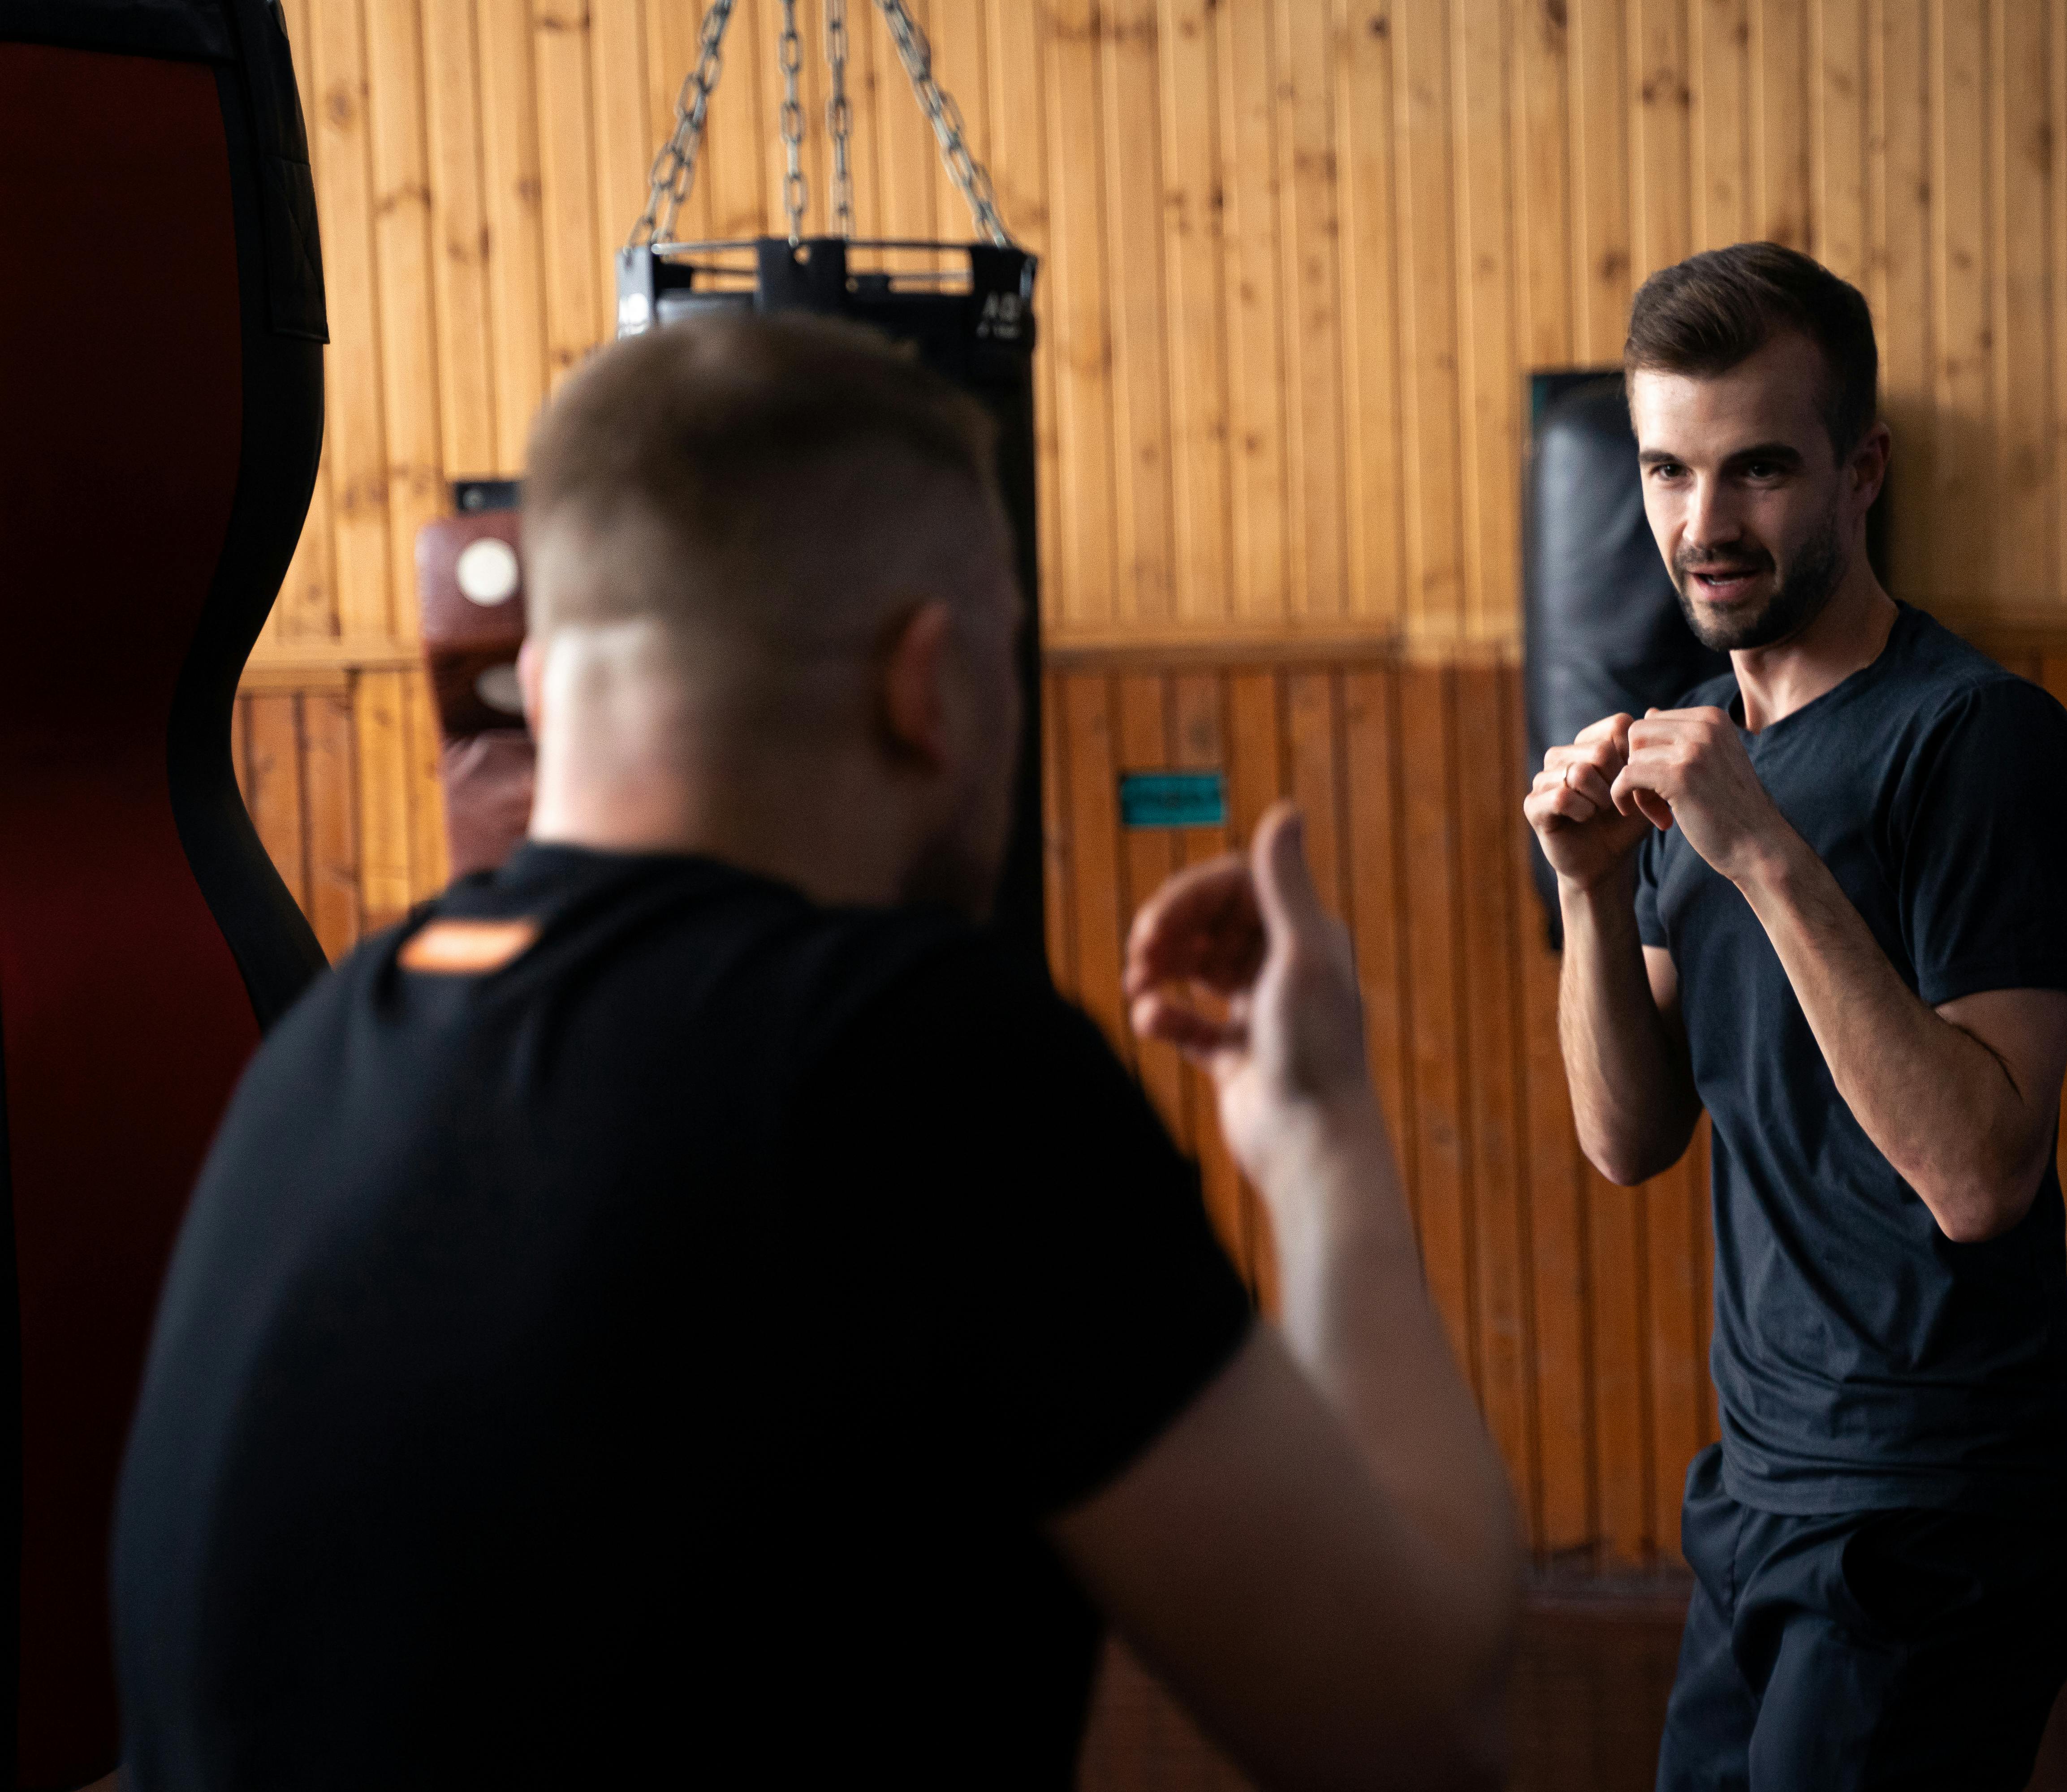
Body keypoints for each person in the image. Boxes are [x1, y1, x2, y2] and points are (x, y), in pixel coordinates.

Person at [113, 314, 1520, 1792]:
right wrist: (1320, 1127)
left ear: (542, 669)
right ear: (931, 681)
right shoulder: (911, 1061)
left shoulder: (328, 1041)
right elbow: (1419, 1726)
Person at [1525, 243, 2067, 1790]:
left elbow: (1982, 1175)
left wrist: (1766, 852)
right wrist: (1589, 893)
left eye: (1758, 471)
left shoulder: (1977, 741)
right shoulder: (1704, 749)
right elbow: (1627, 1140)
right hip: (1763, 1490)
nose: (1702, 527)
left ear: (1863, 472)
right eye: (1668, 471)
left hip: (1940, 1501)